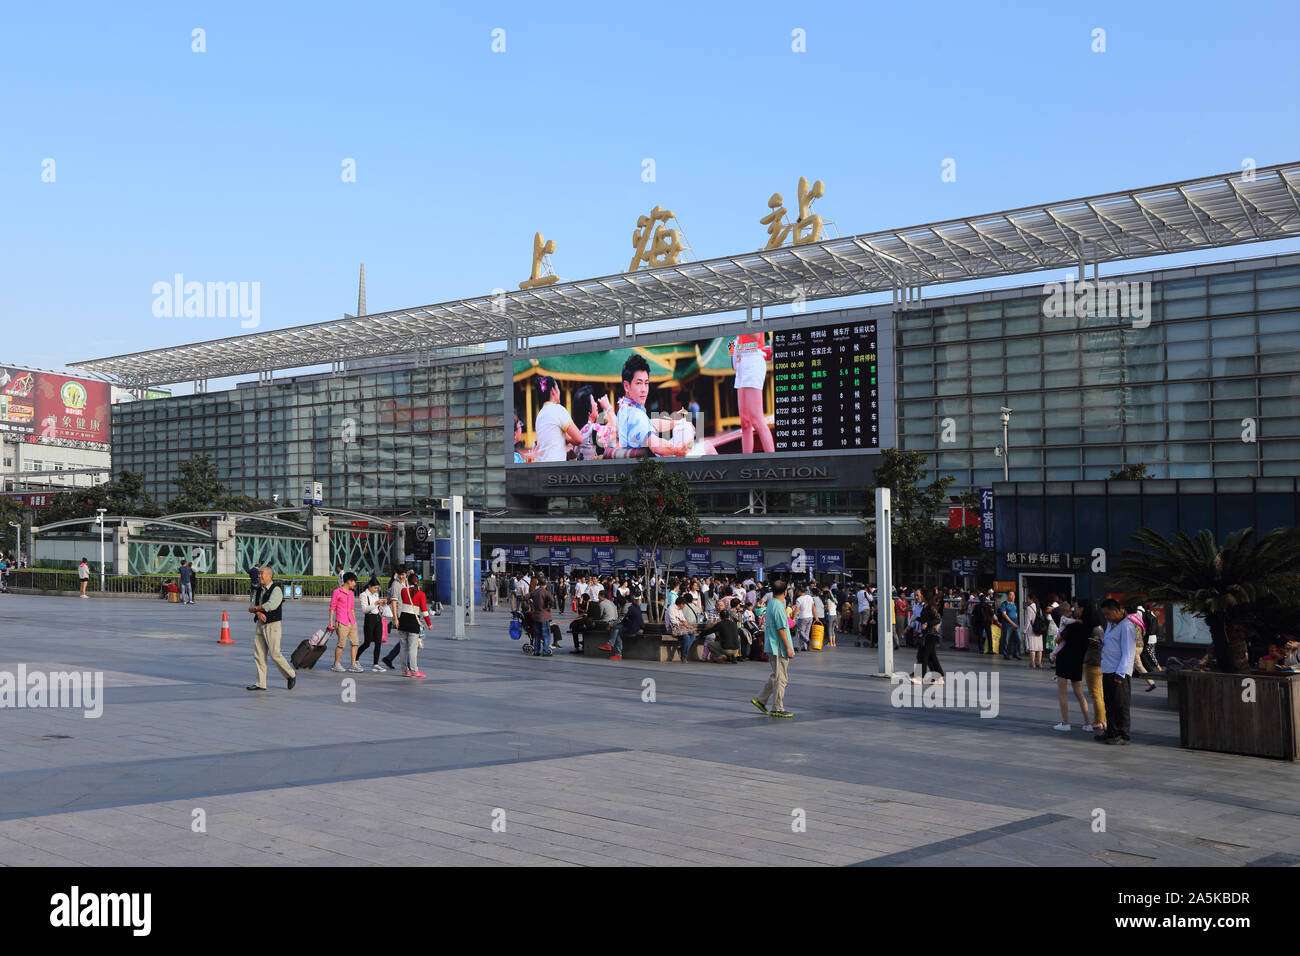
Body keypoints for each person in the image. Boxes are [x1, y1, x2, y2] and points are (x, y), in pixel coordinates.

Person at [615, 354, 690, 457]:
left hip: (640, 464)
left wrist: (677, 423)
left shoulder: (624, 409)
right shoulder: (636, 415)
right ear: (627, 386)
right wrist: (679, 451)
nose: (644, 389)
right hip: (657, 467)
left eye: (646, 383)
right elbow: (657, 447)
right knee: (707, 446)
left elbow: (649, 423)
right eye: (638, 383)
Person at [246, 566, 296, 692]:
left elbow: (271, 605)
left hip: (273, 625)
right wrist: (257, 613)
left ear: (269, 575)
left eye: (261, 573)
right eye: (259, 574)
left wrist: (257, 609)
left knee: (275, 654)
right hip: (260, 625)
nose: (259, 576)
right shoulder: (258, 589)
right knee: (259, 655)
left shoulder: (276, 589)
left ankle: (290, 674)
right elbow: (252, 606)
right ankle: (261, 683)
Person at [750, 581, 794, 718]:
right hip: (779, 646)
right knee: (781, 678)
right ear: (785, 592)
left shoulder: (770, 603)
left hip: (771, 644)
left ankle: (761, 700)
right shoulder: (779, 607)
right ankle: (777, 708)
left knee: (777, 675)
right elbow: (781, 629)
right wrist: (788, 648)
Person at [1051, 599, 1095, 732]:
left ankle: (1065, 723)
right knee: (1079, 693)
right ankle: (1088, 723)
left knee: (1062, 693)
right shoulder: (1088, 626)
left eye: (1076, 607)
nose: (1074, 610)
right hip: (1078, 660)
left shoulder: (1072, 626)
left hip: (1064, 660)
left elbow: (1057, 640)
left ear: (1082, 609)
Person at [1097, 598, 1137, 745]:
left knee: (1121, 704)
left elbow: (1128, 652)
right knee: (1109, 702)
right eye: (1104, 615)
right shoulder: (1110, 625)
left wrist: (1121, 674)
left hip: (1119, 671)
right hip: (1108, 668)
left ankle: (1123, 734)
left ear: (1116, 610)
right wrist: (1101, 642)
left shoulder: (1127, 626)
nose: (1106, 617)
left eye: (1108, 614)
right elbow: (1111, 644)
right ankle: (1111, 731)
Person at [730, 332, 774, 454]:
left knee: (757, 420)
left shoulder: (751, 314)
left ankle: (773, 461)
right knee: (745, 422)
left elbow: (755, 336)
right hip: (740, 363)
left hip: (753, 359)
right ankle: (746, 462)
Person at [328, 572, 364, 673]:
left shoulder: (351, 593)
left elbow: (352, 608)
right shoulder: (337, 592)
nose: (355, 584)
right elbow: (332, 608)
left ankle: (352, 665)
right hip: (341, 621)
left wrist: (354, 621)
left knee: (355, 643)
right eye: (354, 582)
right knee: (341, 644)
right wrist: (331, 622)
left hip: (351, 622)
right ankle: (336, 664)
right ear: (348, 581)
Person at [912, 590, 945, 685]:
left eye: (919, 595)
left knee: (923, 656)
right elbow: (926, 618)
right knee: (931, 658)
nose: (917, 597)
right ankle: (939, 678)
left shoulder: (930, 607)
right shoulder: (925, 607)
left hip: (930, 635)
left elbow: (937, 619)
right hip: (927, 635)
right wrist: (918, 619)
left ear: (924, 597)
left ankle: (919, 677)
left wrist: (926, 624)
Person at [355, 577, 387, 672]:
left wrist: (382, 605)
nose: (376, 590)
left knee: (378, 642)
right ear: (370, 586)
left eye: (377, 588)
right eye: (374, 588)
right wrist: (375, 603)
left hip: (378, 618)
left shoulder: (376, 595)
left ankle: (376, 663)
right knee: (367, 643)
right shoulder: (363, 595)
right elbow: (365, 610)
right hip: (369, 619)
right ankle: (355, 659)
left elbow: (378, 609)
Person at [530, 576, 555, 656]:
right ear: (545, 584)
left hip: (536, 616)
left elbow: (525, 597)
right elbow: (552, 600)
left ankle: (536, 651)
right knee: (546, 635)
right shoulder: (545, 592)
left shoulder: (535, 591)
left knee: (537, 635)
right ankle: (545, 651)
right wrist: (549, 607)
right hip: (544, 616)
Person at [999, 590, 1022, 660]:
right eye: (1011, 595)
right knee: (1006, 640)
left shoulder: (1014, 604)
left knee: (1019, 639)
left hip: (1015, 624)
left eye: (1014, 595)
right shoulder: (1004, 604)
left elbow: (1016, 613)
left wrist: (1015, 620)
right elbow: (1004, 615)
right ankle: (1006, 654)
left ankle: (1016, 653)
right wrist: (1012, 622)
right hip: (1007, 625)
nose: (1013, 596)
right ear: (1007, 596)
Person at [1024, 596, 1045, 668]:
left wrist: (1024, 630)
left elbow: (1028, 621)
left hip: (1032, 629)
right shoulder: (1039, 608)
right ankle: (1039, 663)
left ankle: (1032, 663)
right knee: (1039, 648)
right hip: (1039, 629)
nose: (1027, 600)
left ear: (1031, 599)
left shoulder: (1029, 608)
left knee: (1032, 647)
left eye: (1028, 599)